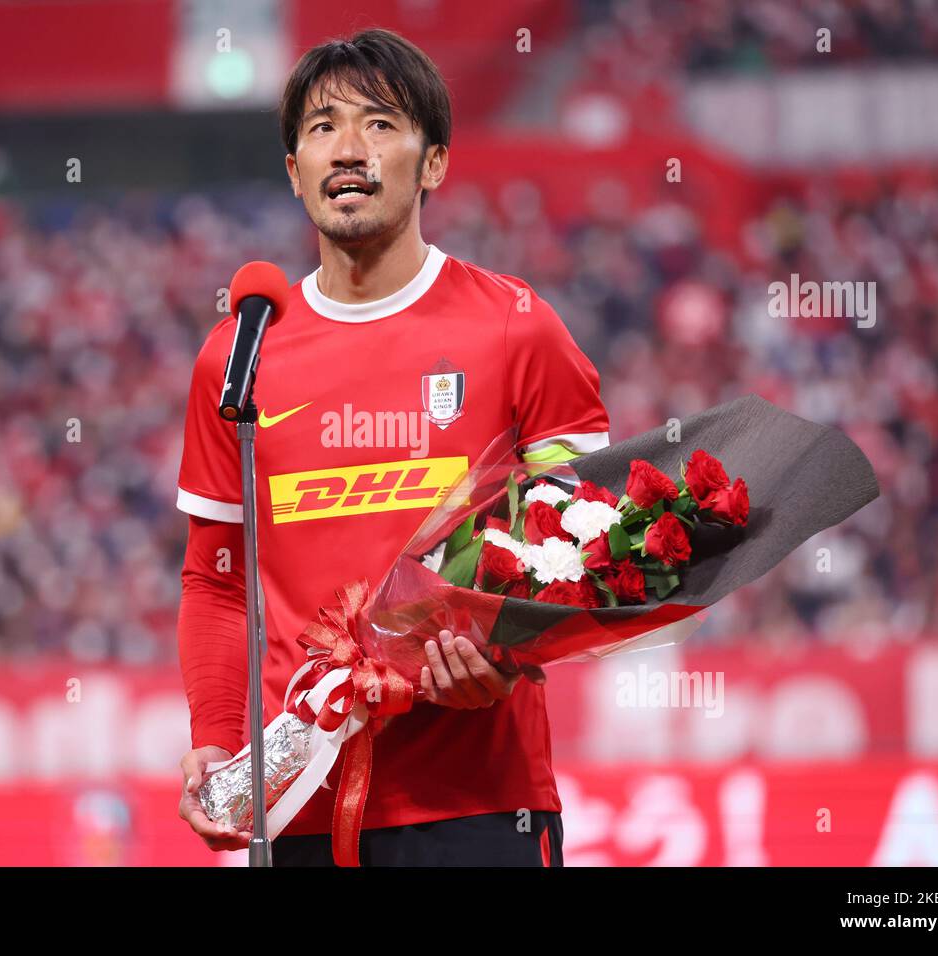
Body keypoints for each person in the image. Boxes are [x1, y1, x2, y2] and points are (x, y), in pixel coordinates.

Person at [174, 28, 609, 866]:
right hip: (298, 802)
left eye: (380, 124)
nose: (348, 149)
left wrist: (506, 658)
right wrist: (217, 736)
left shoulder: (516, 328)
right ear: (294, 168)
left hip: (482, 803)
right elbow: (216, 580)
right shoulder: (239, 355)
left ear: (434, 162)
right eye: (322, 127)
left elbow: (582, 546)